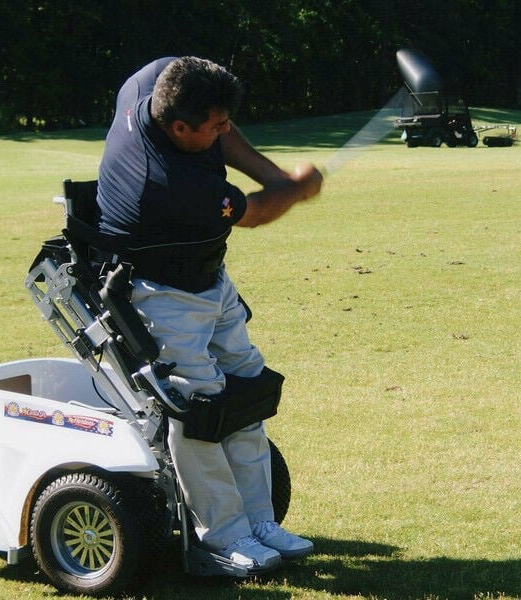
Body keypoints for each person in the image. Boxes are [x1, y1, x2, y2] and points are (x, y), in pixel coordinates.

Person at [95, 56, 323, 571]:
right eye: (214, 127)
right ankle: (222, 535)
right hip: (161, 294)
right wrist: (295, 188)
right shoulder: (172, 184)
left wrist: (276, 174)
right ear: (179, 126)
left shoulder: (152, 80)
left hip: (208, 278)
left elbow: (222, 135)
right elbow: (258, 212)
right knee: (198, 410)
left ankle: (260, 521)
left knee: (246, 389)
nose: (224, 131)